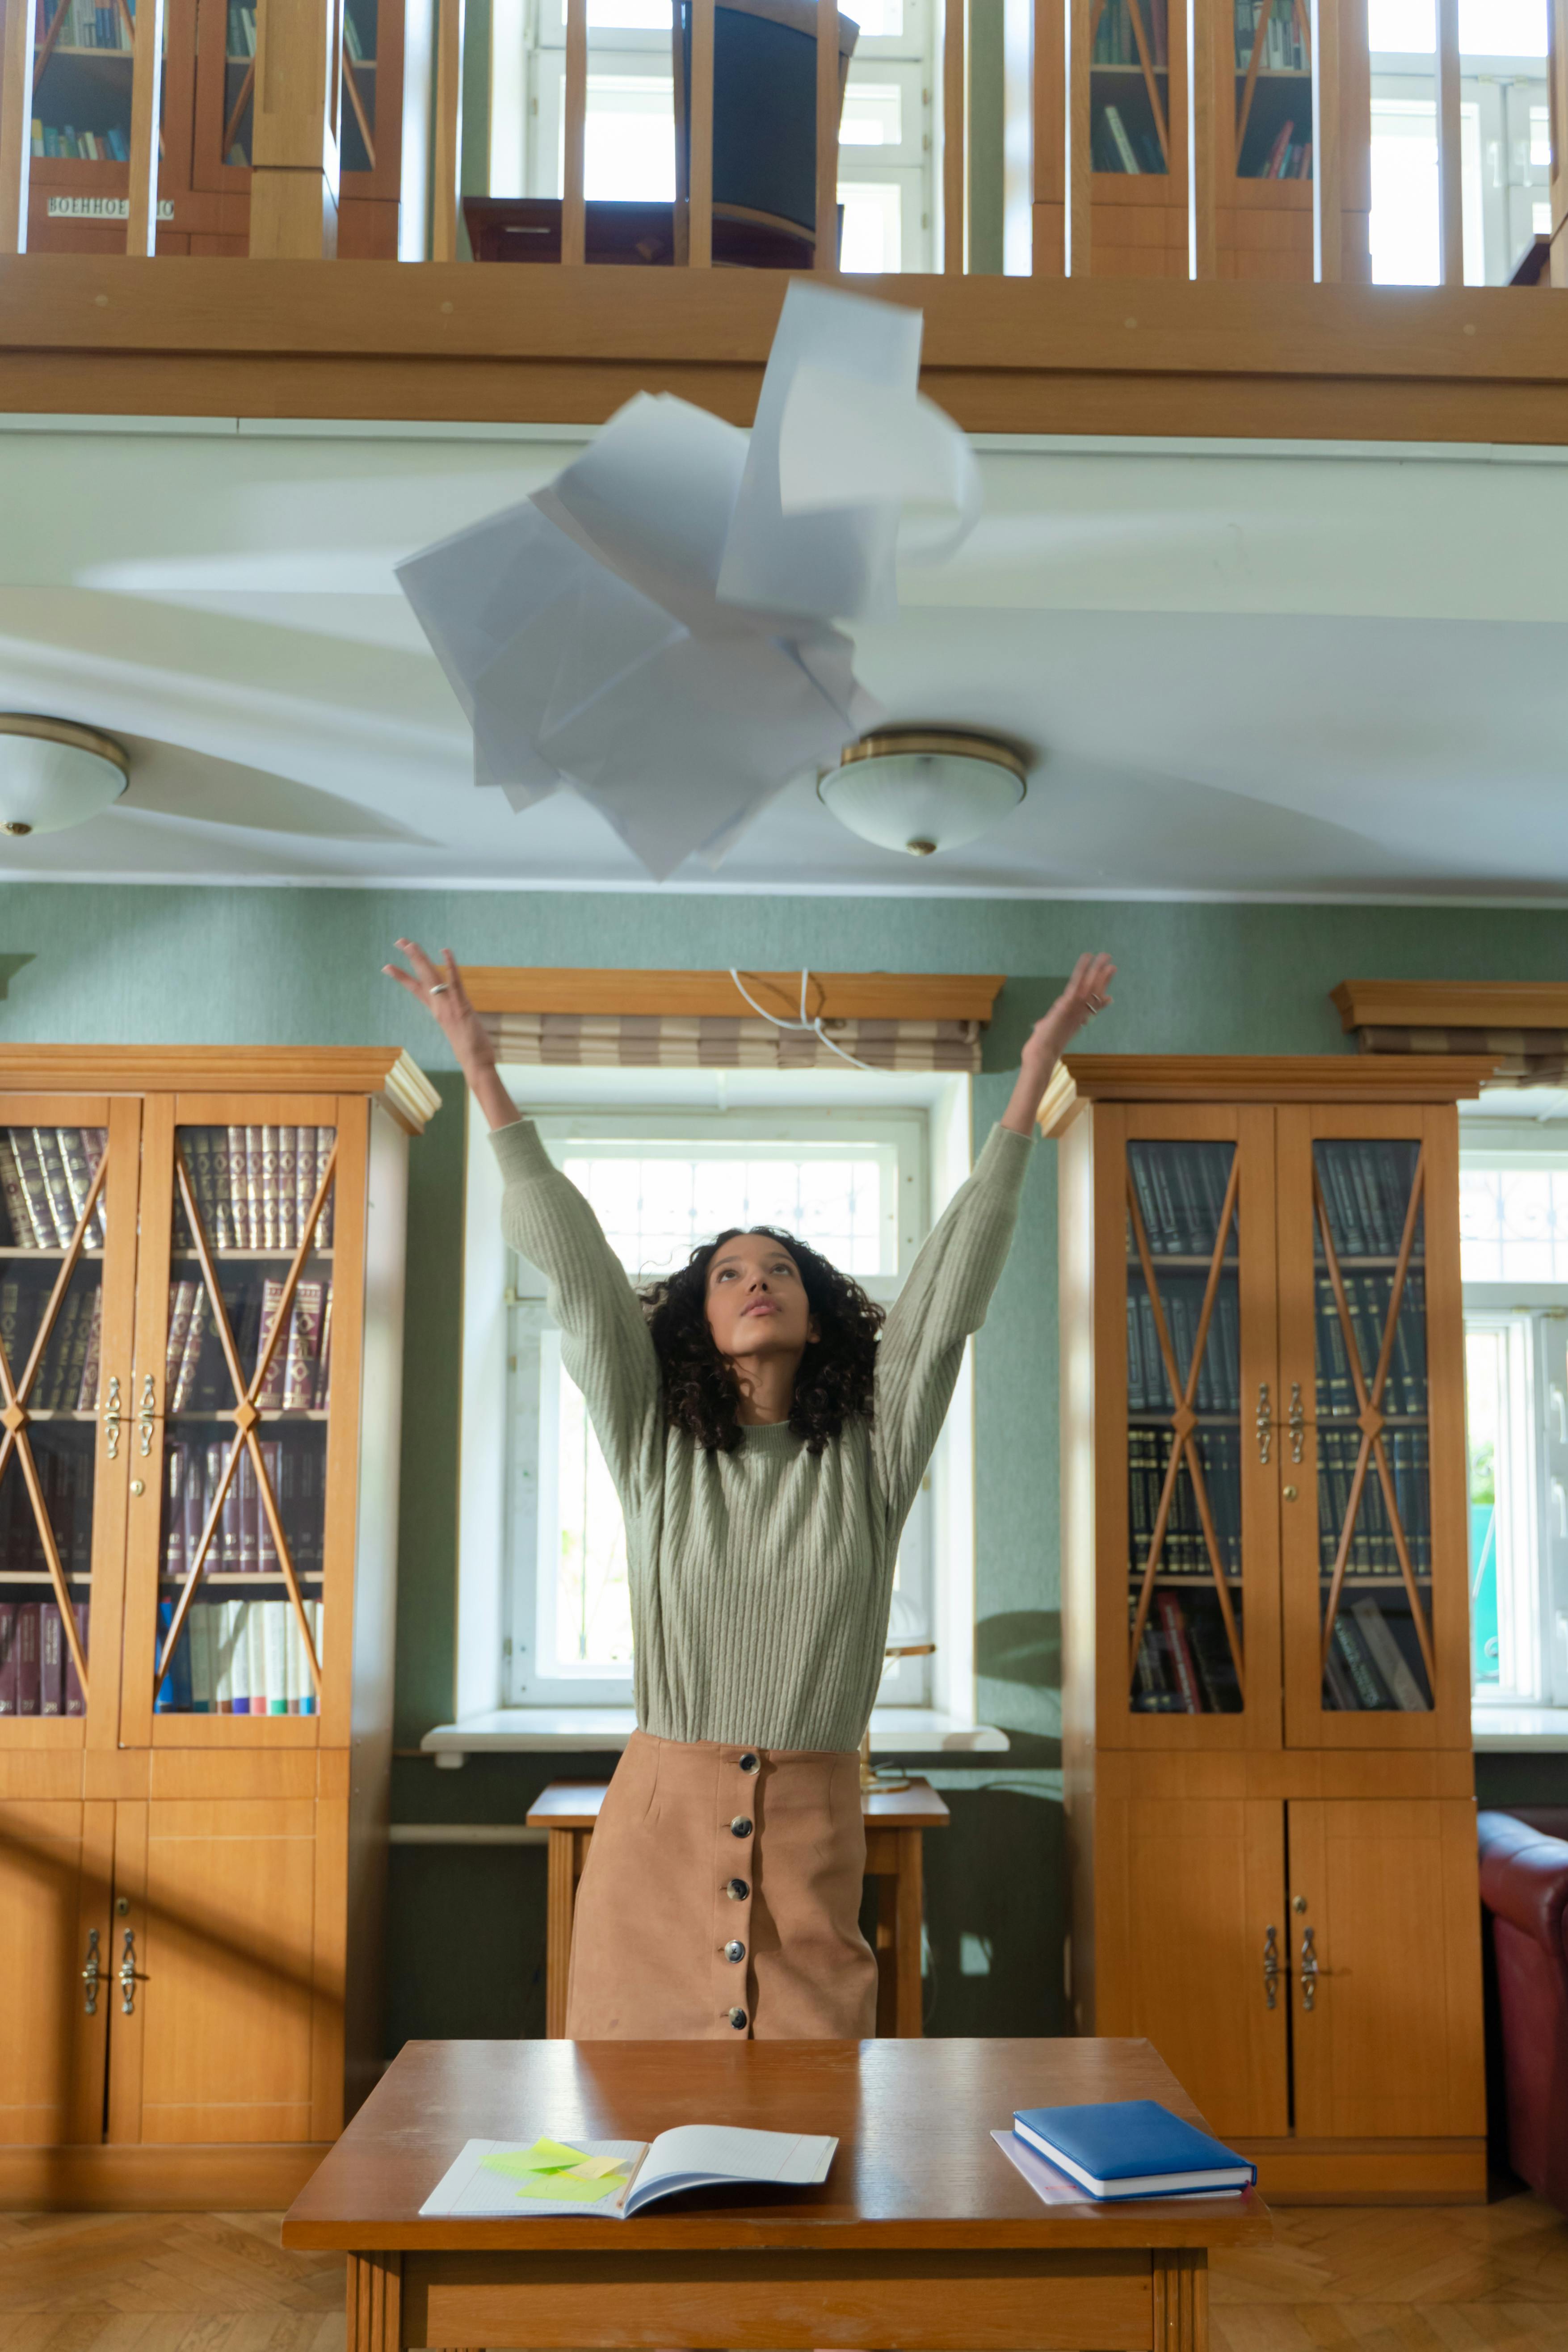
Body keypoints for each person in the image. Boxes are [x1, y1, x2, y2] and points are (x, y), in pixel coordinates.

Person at [386, 941, 1116, 2039]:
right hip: (652, 1859)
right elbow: (582, 1282)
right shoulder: (655, 1447)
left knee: (811, 2161)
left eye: (777, 1267)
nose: (755, 1281)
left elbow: (948, 1294)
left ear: (817, 1313)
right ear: (698, 1322)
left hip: (810, 1866)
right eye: (728, 1273)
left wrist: (1030, 1076)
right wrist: (481, 1070)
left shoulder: (871, 1455)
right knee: (635, 2154)